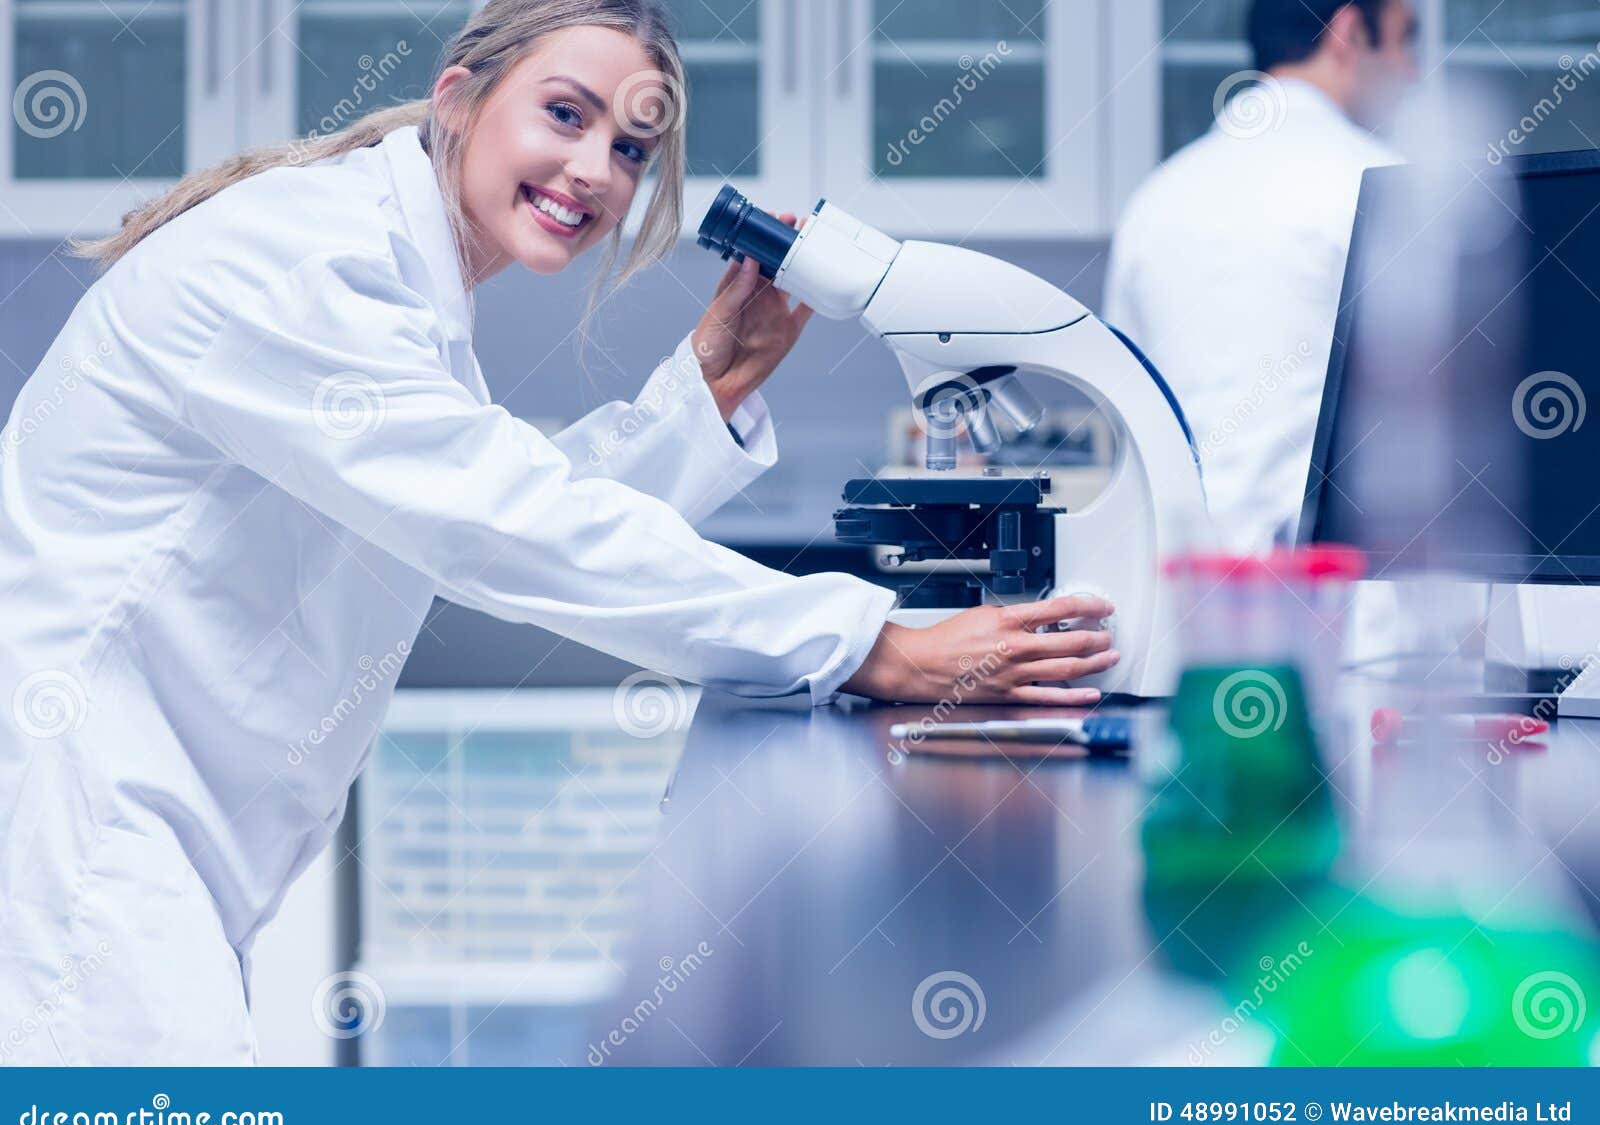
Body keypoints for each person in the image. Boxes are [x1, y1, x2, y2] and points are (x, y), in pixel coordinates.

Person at [0, 0, 1119, 1064]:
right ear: (458, 98)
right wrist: (869, 642)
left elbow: (495, 497)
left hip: (157, 829)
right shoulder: (310, 263)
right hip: (84, 828)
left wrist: (704, 390)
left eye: (633, 149)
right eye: (566, 114)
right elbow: (504, 522)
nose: (595, 171)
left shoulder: (396, 281)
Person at [1104, 0, 1418, 553]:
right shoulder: (1380, 183)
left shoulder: (1155, 199)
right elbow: (1440, 418)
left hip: (1186, 599)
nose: (1410, 70)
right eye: (1403, 39)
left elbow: (1123, 410)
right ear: (1346, 32)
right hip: (1348, 608)